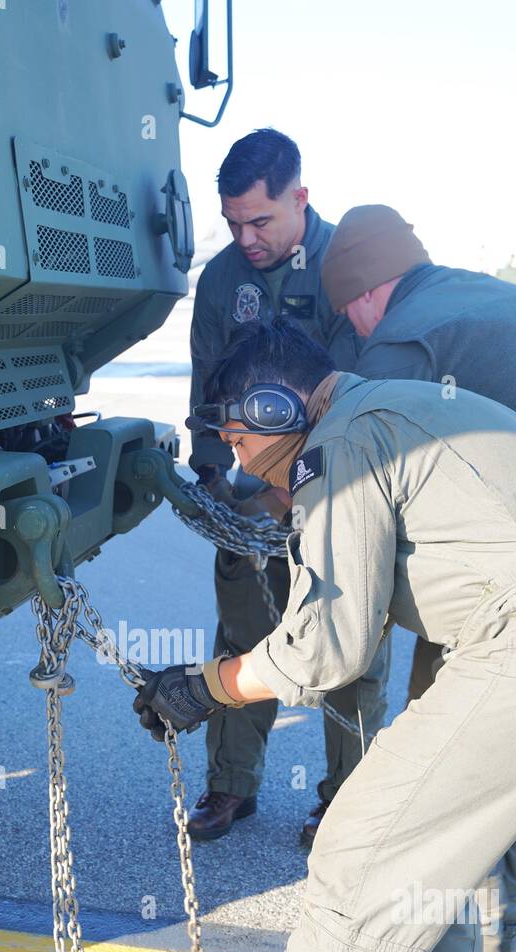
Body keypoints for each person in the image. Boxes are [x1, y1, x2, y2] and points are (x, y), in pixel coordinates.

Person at [133, 317, 516, 952]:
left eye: (236, 439)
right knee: (432, 847)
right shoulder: (384, 414)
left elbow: (326, 649)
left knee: (364, 846)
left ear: (273, 408)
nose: (236, 463)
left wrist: (205, 686)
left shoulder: (339, 444)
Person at [307, 203, 516, 952]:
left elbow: (367, 476)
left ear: (361, 295)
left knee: (459, 752)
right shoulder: (472, 298)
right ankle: (497, 940)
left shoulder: (398, 341)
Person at [186, 129, 390, 843]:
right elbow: (208, 391)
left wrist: (288, 495)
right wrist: (212, 479)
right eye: (234, 221)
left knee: (349, 644)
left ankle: (346, 801)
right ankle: (230, 788)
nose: (246, 236)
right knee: (243, 631)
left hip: (344, 488)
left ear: (300, 198)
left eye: (261, 220)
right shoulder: (221, 282)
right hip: (255, 485)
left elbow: (360, 401)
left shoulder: (345, 269)